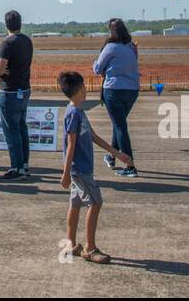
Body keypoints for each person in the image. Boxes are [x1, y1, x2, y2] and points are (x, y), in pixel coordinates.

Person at [58, 70, 131, 264]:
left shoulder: (78, 111)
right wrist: (66, 174)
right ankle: (89, 248)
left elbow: (93, 136)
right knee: (95, 202)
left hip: (80, 169)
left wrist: (118, 154)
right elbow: (70, 144)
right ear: (81, 89)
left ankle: (71, 244)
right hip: (79, 170)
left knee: (75, 204)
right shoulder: (73, 113)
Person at [0, 9, 33, 180]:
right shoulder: (27, 41)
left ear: (6, 24)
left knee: (11, 130)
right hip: (25, 89)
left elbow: (0, 70)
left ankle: (16, 167)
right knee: (21, 128)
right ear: (20, 23)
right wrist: (1, 55)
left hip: (10, 91)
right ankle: (25, 165)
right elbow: (15, 61)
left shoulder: (7, 43)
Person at [92, 17, 140, 177]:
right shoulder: (131, 47)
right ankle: (111, 156)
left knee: (120, 126)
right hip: (132, 90)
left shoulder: (110, 47)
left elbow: (98, 69)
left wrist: (95, 63)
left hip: (114, 90)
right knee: (118, 123)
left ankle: (130, 165)